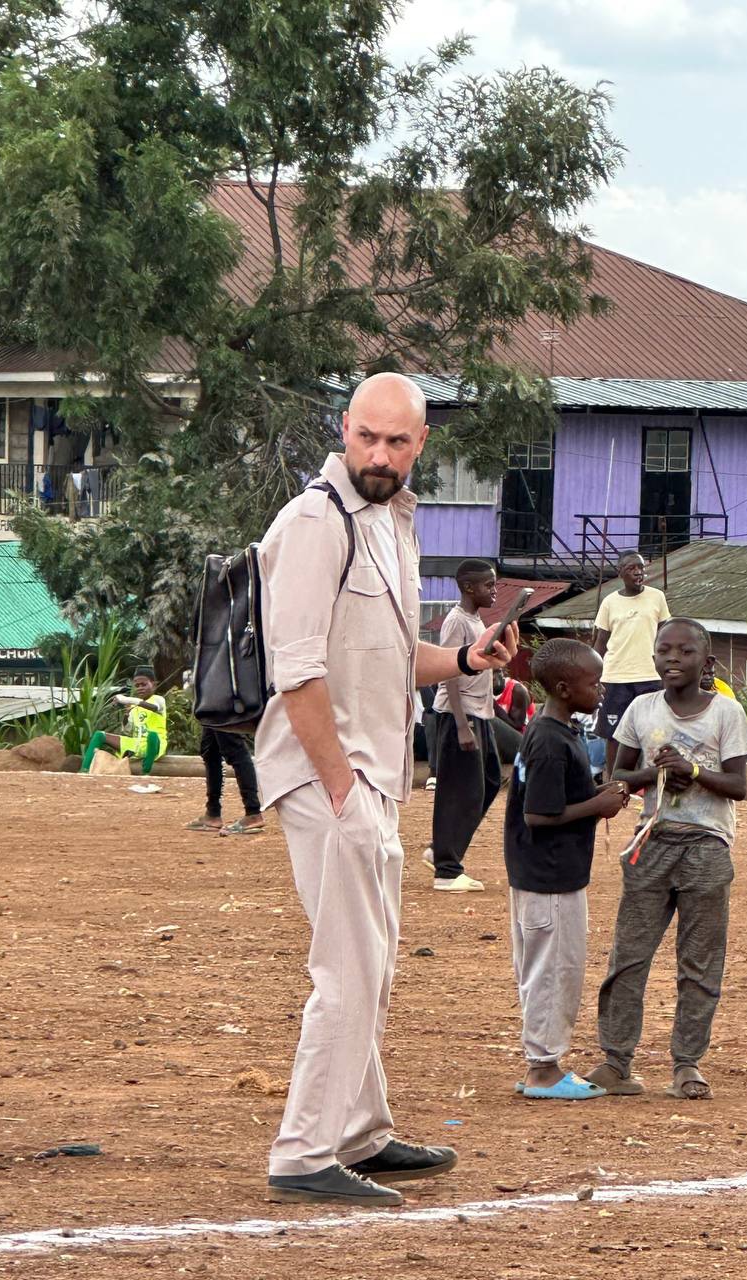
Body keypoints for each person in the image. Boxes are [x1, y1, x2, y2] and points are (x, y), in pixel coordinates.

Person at [254, 372, 517, 1208]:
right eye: (367, 437)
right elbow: (296, 670)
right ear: (343, 429)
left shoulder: (392, 526)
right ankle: (303, 1152)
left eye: (397, 441)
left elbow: (393, 657)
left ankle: (360, 1130)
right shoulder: (312, 523)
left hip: (374, 774)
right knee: (348, 966)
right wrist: (341, 790)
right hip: (330, 775)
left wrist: (469, 662)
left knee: (374, 961)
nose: (379, 453)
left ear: (420, 445)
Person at [587, 618, 747, 1102]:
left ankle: (687, 1064)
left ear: (706, 663)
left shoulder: (726, 713)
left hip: (706, 847)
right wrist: (656, 773)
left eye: (684, 652)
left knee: (699, 962)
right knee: (629, 956)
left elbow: (740, 786)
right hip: (652, 843)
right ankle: (616, 1061)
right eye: (664, 650)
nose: (672, 659)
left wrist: (695, 771)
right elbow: (616, 774)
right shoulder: (641, 709)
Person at [504, 639, 628, 1100]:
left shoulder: (553, 729)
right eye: (593, 683)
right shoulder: (551, 741)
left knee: (544, 968)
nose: (600, 691)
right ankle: (544, 1070)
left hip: (539, 873)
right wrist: (597, 805)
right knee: (554, 971)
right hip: (550, 876)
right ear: (563, 687)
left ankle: (544, 1061)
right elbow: (540, 813)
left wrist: (600, 790)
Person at [424, 560, 502, 892]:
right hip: (460, 714)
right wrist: (461, 725)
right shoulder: (456, 621)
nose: (494, 591)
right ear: (469, 588)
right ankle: (447, 870)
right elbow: (450, 672)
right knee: (459, 791)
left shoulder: (475, 619)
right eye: (489, 585)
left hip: (480, 712)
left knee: (490, 780)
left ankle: (441, 847)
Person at [592, 551, 671, 778]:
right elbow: (600, 643)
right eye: (631, 568)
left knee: (654, 731)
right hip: (615, 677)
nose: (638, 572)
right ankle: (613, 780)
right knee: (613, 733)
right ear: (620, 573)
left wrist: (666, 672)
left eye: (641, 567)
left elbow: (666, 637)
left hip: (650, 676)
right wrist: (593, 676)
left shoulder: (657, 597)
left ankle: (652, 778)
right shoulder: (609, 602)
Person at [80, 666, 167, 774]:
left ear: (154, 685)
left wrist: (127, 699)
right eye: (137, 685)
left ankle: (145, 772)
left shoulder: (158, 700)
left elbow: (155, 707)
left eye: (144, 684)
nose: (140, 688)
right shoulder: (135, 707)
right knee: (99, 735)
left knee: (152, 735)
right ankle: (83, 771)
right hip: (136, 743)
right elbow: (128, 731)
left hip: (155, 744)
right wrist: (126, 715)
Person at [185, 728, 265, 835]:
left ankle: (253, 812)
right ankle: (213, 813)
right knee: (210, 751)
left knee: (235, 748)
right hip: (210, 712)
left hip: (223, 711)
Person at [491, 669, 535, 764]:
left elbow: (517, 725)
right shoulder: (487, 691)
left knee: (491, 721)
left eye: (492, 676)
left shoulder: (517, 690)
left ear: (500, 673)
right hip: (502, 742)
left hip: (524, 743)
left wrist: (493, 705)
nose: (490, 680)